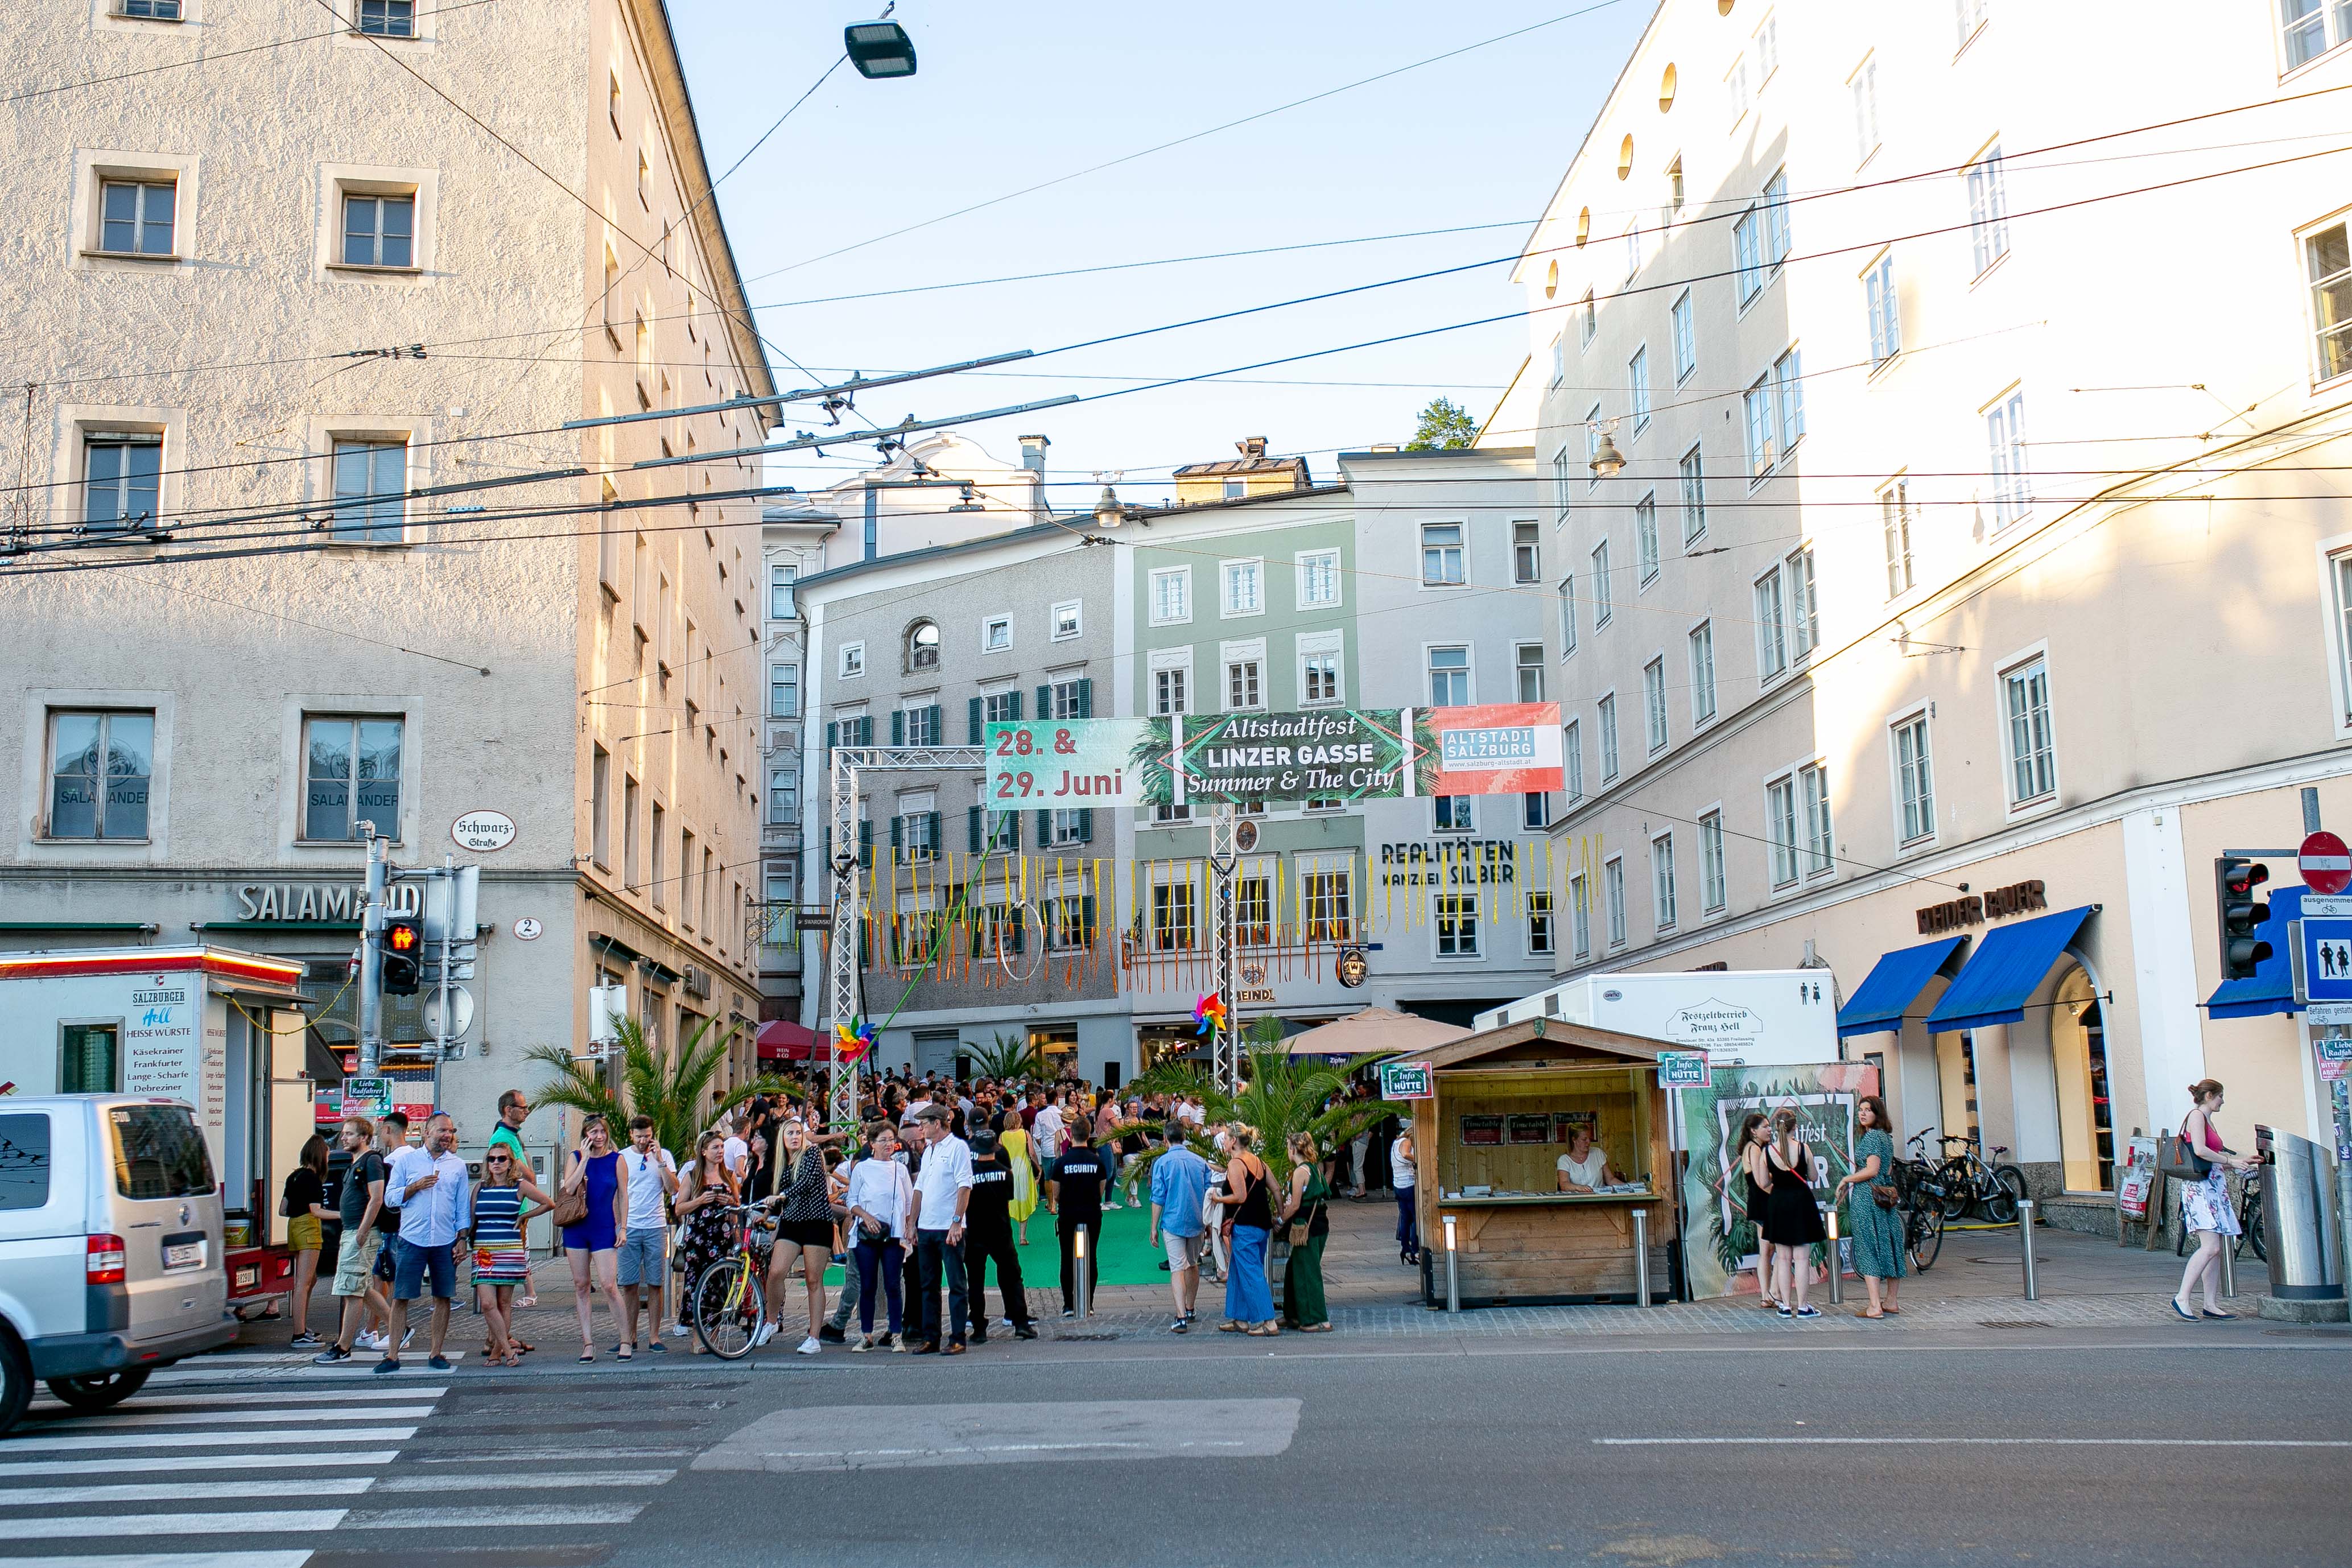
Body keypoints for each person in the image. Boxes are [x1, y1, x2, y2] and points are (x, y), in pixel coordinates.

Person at [379, 1112, 469, 1373]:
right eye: (442, 1130)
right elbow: (390, 1199)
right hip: (412, 1239)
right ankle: (392, 1355)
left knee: (443, 1296)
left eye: (450, 1131)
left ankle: (436, 1353)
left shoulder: (457, 1166)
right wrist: (415, 1187)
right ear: (425, 1132)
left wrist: (462, 1239)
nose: (447, 1136)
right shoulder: (407, 1162)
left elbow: (462, 1207)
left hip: (444, 1240)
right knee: (401, 1296)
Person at [2173, 1078, 2258, 1322]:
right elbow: (2200, 1150)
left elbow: (2210, 1159)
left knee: (2216, 1250)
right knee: (2210, 1247)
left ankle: (2210, 1303)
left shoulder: (2207, 1119)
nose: (2223, 1100)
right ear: (2209, 1096)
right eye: (2220, 1095)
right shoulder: (2197, 1116)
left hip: (2212, 1186)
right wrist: (2231, 1161)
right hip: (2201, 1189)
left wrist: (2241, 1162)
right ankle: (2182, 1298)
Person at [759, 1115, 842, 1355]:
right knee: (775, 1272)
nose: (795, 1137)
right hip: (791, 1222)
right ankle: (771, 1321)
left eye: (798, 1133)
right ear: (782, 1139)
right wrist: (766, 1213)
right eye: (790, 1133)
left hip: (816, 1221)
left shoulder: (813, 1153)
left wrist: (782, 1197)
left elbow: (805, 1183)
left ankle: (814, 1336)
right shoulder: (781, 1162)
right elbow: (777, 1192)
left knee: (813, 1280)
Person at [315, 1116, 390, 1365]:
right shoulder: (355, 1162)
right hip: (352, 1232)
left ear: (364, 1137)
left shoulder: (371, 1161)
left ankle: (343, 1347)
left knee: (351, 1290)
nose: (343, 1138)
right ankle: (400, 1327)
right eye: (344, 1134)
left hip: (360, 1234)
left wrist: (362, 1231)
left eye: (349, 1134)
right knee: (360, 1288)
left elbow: (376, 1198)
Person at [471, 1140, 551, 1364]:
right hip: (484, 1250)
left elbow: (548, 1203)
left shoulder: (519, 1186)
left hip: (509, 1249)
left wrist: (525, 1216)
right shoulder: (481, 1187)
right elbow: (472, 1219)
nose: (496, 1163)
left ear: (510, 1163)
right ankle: (508, 1350)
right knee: (487, 1303)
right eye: (491, 1159)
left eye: (501, 1159)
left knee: (504, 1303)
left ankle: (497, 1352)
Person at [559, 1115, 630, 1362]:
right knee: (581, 1285)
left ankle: (625, 1339)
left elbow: (623, 1195)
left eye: (602, 1132)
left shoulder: (617, 1160)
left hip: (603, 1227)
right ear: (585, 1135)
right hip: (577, 1227)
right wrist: (584, 1159)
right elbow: (569, 1188)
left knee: (609, 1285)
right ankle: (588, 1343)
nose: (598, 1137)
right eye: (593, 1132)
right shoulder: (576, 1157)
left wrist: (622, 1228)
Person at [907, 1105, 973, 1354]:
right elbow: (919, 1189)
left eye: (924, 1123)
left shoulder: (958, 1148)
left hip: (948, 1227)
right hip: (927, 1227)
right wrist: (913, 1223)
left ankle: (958, 1337)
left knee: (956, 1283)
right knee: (928, 1286)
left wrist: (957, 1221)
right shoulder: (928, 1152)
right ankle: (931, 1336)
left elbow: (964, 1186)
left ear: (938, 1124)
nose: (921, 1128)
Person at [843, 1121, 913, 1351]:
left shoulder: (900, 1170)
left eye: (892, 1140)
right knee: (868, 1285)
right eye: (883, 1140)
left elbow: (910, 1202)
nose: (888, 1144)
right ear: (872, 1143)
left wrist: (909, 1227)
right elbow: (851, 1201)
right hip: (867, 1234)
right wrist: (866, 1217)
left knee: (893, 1284)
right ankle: (866, 1334)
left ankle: (896, 1334)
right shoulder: (862, 1169)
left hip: (894, 1235)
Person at [1833, 1095, 1904, 1319]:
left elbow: (1872, 1169)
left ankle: (1874, 1306)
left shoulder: (1872, 1137)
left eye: (1868, 1110)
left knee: (1867, 1247)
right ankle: (1891, 1300)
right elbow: (1888, 1169)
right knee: (1891, 1244)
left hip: (1868, 1198)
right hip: (1886, 1196)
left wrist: (1848, 1179)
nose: (1863, 1114)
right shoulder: (1886, 1137)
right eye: (1861, 1110)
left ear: (1877, 1114)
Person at [963, 1127, 1036, 1342]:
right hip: (1000, 1231)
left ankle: (978, 1328)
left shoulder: (970, 1175)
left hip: (975, 1232)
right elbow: (1009, 1198)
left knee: (975, 1281)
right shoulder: (1006, 1173)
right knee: (1012, 1277)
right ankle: (1020, 1322)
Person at [1210, 1124, 1278, 1335]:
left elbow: (1240, 1196)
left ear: (1233, 1141)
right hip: (1262, 1223)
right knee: (1239, 1271)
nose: (1224, 1141)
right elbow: (1275, 1188)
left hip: (1246, 1225)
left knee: (1251, 1272)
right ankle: (1240, 1317)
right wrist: (1281, 1215)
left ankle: (1268, 1321)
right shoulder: (1258, 1161)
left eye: (1226, 1138)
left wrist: (1218, 1198)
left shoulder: (1236, 1163)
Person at [673, 1130, 738, 1354]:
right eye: (715, 1148)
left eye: (722, 1147)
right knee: (696, 1286)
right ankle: (696, 1338)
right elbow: (679, 1208)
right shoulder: (692, 1177)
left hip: (722, 1238)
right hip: (699, 1238)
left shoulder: (729, 1176)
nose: (720, 1152)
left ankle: (714, 1337)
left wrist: (728, 1201)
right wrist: (700, 1200)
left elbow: (737, 1208)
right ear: (704, 1152)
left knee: (721, 1286)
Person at [618, 1115, 678, 1356]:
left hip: (655, 1226)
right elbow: (618, 1193)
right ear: (631, 1135)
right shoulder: (623, 1157)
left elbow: (673, 1189)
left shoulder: (664, 1156)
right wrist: (618, 1225)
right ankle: (629, 1336)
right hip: (630, 1226)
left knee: (656, 1282)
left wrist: (660, 1161)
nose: (644, 1141)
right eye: (639, 1136)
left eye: (648, 1136)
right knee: (629, 1284)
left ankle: (654, 1336)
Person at [1760, 1108, 1827, 1320]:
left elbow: (1762, 1182)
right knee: (1802, 1258)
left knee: (1783, 1257)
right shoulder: (1803, 1149)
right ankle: (1804, 1306)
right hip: (1800, 1203)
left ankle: (1786, 1306)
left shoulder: (1767, 1152)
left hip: (1778, 1203)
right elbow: (1814, 1176)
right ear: (1795, 1127)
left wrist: (1777, 1178)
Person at [1148, 1123, 1212, 1332]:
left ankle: (1181, 1316)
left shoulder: (1163, 1163)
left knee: (1177, 1268)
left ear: (1166, 1138)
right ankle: (1191, 1307)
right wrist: (1208, 1221)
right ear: (1184, 1137)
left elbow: (1158, 1197)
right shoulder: (1199, 1161)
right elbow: (1207, 1192)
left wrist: (1153, 1227)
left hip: (1173, 1220)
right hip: (1197, 1219)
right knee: (1192, 1264)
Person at [1045, 1117, 1108, 1317]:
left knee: (1066, 1258)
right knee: (1091, 1257)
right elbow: (1101, 1190)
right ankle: (1088, 1303)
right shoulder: (1097, 1162)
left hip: (1068, 1215)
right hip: (1091, 1214)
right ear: (1089, 1136)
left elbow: (1056, 1195)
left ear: (1071, 1135)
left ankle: (1069, 1304)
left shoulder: (1060, 1163)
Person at [281, 1133, 333, 1347]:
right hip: (308, 1229)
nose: (329, 1157)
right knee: (303, 1284)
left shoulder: (294, 1176)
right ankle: (299, 1333)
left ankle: (302, 1327)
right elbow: (316, 1211)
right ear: (321, 1155)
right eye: (327, 1153)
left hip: (293, 1227)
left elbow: (283, 1209)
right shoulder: (312, 1179)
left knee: (309, 1281)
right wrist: (343, 1215)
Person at [1279, 1132, 1334, 1332]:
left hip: (1307, 1228)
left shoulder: (1301, 1172)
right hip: (1319, 1225)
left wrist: (1279, 1220)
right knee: (1294, 1268)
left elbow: (1294, 1205)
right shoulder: (1315, 1169)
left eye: (1288, 1147)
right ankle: (1293, 1313)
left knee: (1308, 1272)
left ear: (1293, 1149)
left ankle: (1316, 1319)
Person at [488, 1090, 536, 1310]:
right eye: (522, 1107)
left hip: (518, 1204)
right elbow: (524, 1173)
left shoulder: (512, 1134)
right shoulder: (503, 1137)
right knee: (517, 1250)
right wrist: (529, 1175)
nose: (526, 1111)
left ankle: (530, 1292)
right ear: (509, 1110)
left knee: (521, 1249)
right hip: (512, 1204)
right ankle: (528, 1292)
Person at [1735, 1112, 1778, 1309]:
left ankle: (1768, 1293)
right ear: (1753, 1130)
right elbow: (1762, 1182)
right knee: (1768, 1249)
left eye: (1770, 1126)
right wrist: (1780, 1194)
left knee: (1769, 1249)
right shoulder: (1754, 1149)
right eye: (1765, 1127)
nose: (1770, 1130)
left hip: (1762, 1202)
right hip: (1763, 1202)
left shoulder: (1756, 1148)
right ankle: (1767, 1293)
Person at [1001, 1105, 1041, 1247]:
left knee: (1007, 1203)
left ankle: (1008, 1236)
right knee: (1024, 1201)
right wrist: (1038, 1167)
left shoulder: (1003, 1136)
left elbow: (1000, 1154)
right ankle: (1022, 1237)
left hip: (1008, 1170)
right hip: (1024, 1170)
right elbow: (1032, 1153)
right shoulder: (1025, 1134)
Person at [1555, 1123, 1616, 1193]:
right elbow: (1564, 1185)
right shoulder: (1564, 1160)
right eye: (1584, 1139)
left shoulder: (1598, 1153)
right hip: (1578, 1201)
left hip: (1599, 1200)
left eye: (1590, 1138)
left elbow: (1610, 1180)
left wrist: (1628, 1186)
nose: (1588, 1142)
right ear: (1574, 1140)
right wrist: (1579, 1187)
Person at [1391, 1123, 1420, 1266]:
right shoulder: (1407, 1141)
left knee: (1405, 1218)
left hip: (1398, 1185)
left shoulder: (1396, 1142)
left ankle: (1405, 1249)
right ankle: (1415, 1251)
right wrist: (1418, 1159)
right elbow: (1405, 1154)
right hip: (1408, 1184)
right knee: (1415, 1219)